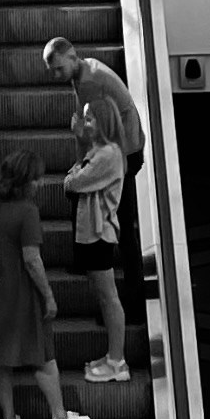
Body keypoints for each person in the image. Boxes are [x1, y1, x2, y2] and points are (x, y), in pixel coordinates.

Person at [0, 145, 89, 419]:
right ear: (22, 180)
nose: (39, 184)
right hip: (17, 290)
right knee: (43, 356)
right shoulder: (26, 211)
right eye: (35, 179)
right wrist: (48, 296)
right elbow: (31, 260)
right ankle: (59, 417)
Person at [44, 34, 145, 334]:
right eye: (52, 71)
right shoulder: (85, 69)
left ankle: (134, 305)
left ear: (72, 57)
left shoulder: (90, 82)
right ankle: (83, 257)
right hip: (120, 149)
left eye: (59, 68)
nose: (56, 76)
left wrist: (83, 166)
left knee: (124, 228)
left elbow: (92, 132)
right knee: (82, 195)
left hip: (122, 155)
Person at [64, 98, 132, 383]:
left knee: (109, 296)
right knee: (104, 297)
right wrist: (80, 144)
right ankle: (113, 356)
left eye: (90, 119)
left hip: (99, 234)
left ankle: (117, 362)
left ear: (104, 122)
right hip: (91, 232)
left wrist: (75, 171)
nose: (85, 123)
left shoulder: (108, 154)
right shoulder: (99, 150)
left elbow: (73, 182)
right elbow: (76, 175)